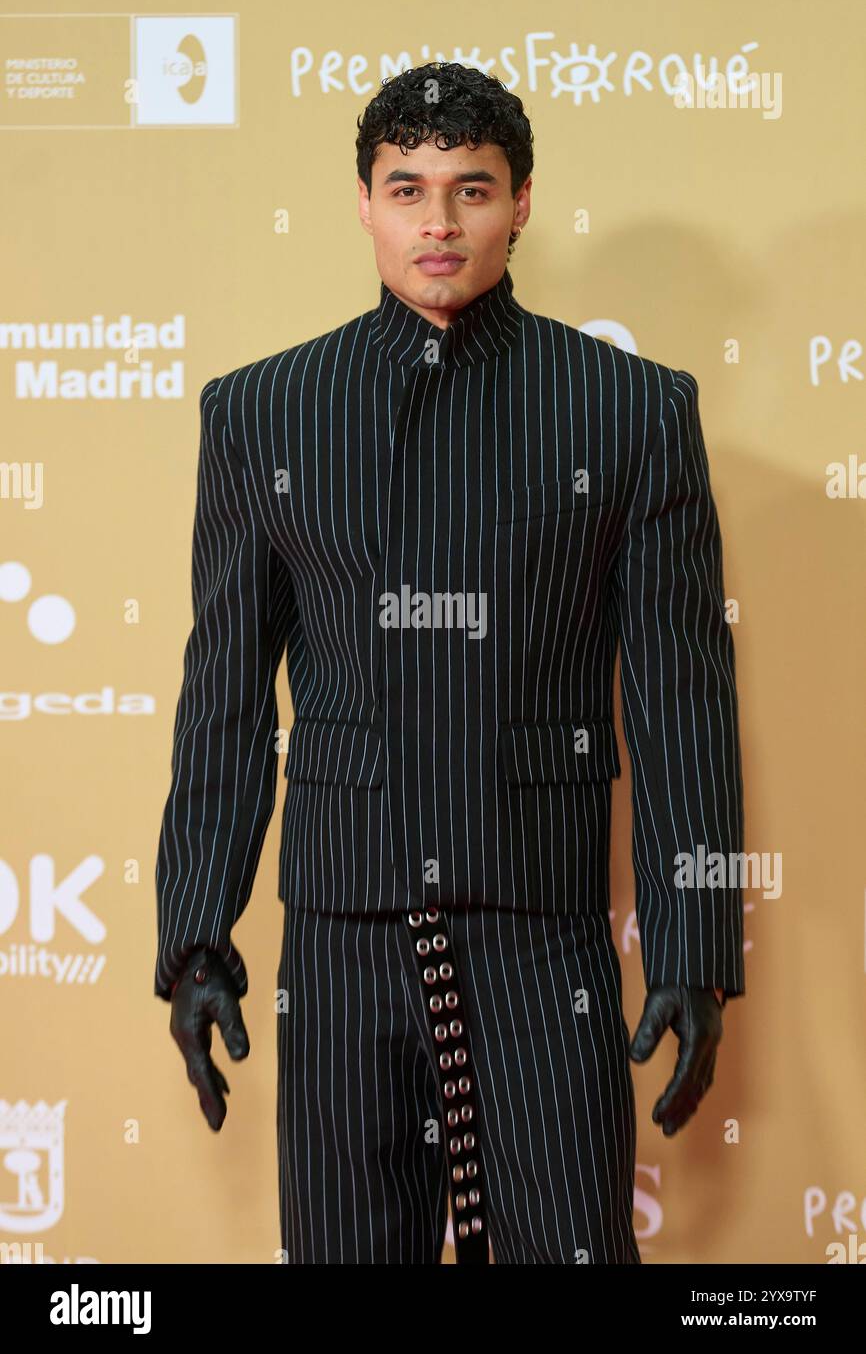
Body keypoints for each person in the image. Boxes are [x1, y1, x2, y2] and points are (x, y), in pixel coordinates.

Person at [155, 61, 745, 1265]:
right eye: (406, 187)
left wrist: (691, 947)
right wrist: (196, 933)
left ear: (520, 202)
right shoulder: (262, 412)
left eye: (470, 189)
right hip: (339, 928)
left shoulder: (628, 412)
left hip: (538, 927)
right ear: (361, 202)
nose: (437, 222)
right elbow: (222, 697)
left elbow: (680, 698)